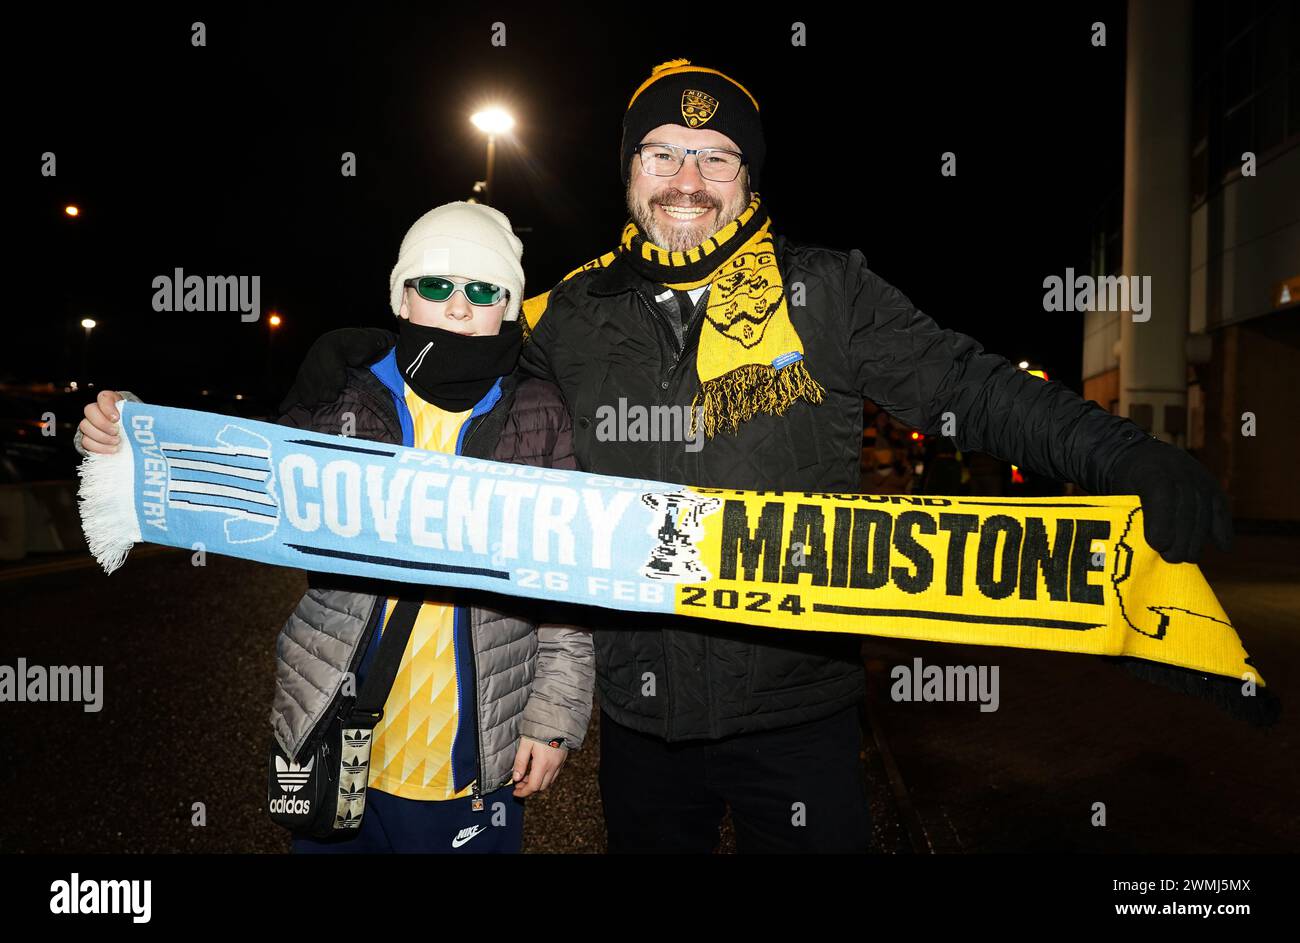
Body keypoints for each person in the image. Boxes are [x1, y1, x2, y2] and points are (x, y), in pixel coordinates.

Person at [277, 59, 1232, 853]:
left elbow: (972, 387)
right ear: (629, 169)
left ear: (749, 176)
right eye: (662, 152)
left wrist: (1126, 455)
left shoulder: (826, 292)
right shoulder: (572, 311)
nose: (686, 178)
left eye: (715, 156)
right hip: (643, 725)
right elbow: (463, 345)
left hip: (799, 720)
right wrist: (356, 358)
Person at [76, 201, 595, 853]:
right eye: (435, 284)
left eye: (484, 289)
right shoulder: (342, 393)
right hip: (332, 730)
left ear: (510, 306)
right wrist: (134, 432)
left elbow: (571, 577)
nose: (458, 305)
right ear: (403, 299)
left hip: (464, 757)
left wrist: (552, 719)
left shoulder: (541, 411)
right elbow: (243, 470)